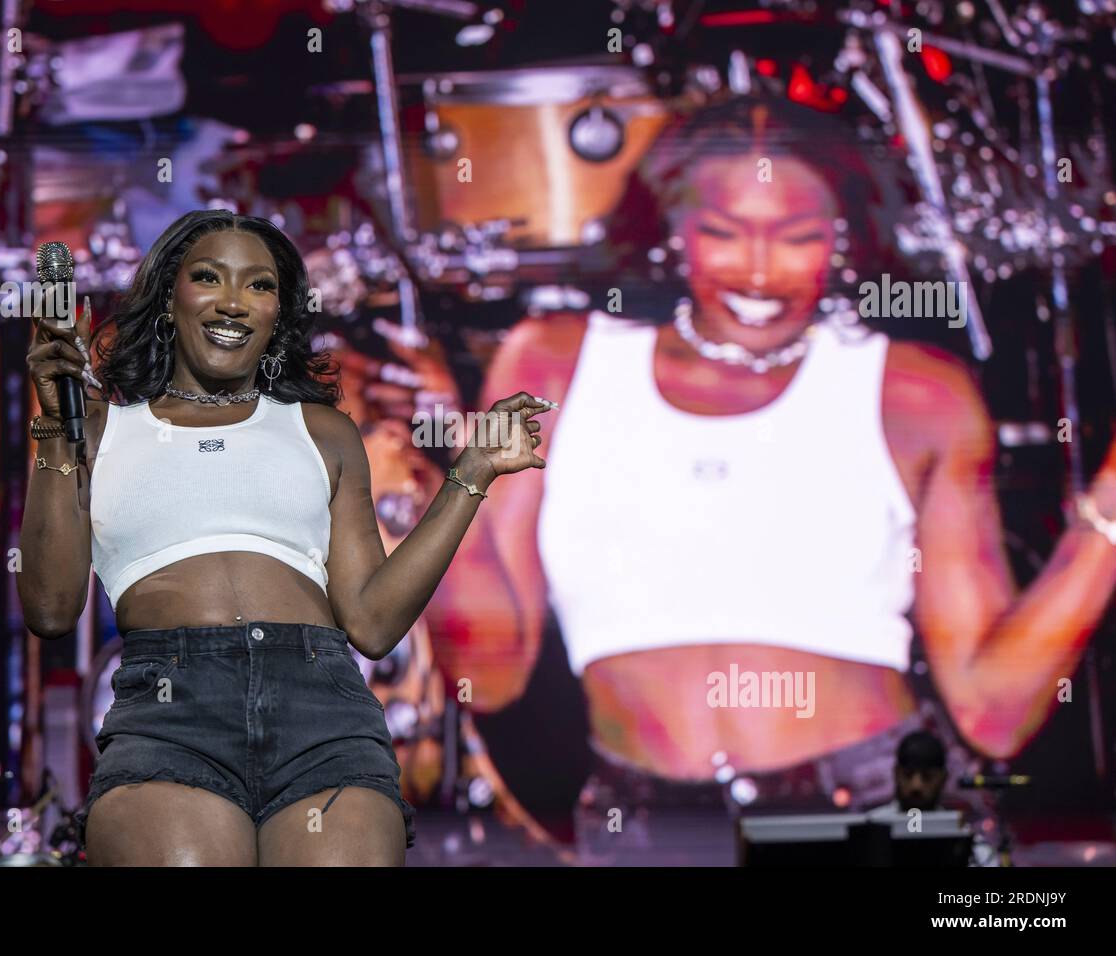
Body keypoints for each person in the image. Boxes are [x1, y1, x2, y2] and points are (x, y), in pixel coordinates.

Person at [427, 96, 1116, 864]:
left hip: (873, 821)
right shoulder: (550, 366)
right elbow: (486, 674)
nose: (759, 269)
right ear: (673, 229)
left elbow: (992, 710)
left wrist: (1109, 513)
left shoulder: (913, 396)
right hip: (649, 832)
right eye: (722, 233)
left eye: (798, 237)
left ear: (842, 237)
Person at [18, 210, 552, 866]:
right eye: (208, 277)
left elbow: (374, 624)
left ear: (278, 313)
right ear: (166, 299)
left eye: (260, 285)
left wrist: (471, 472)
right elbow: (48, 609)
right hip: (172, 711)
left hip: (321, 708)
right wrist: (52, 433)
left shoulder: (323, 432)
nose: (234, 302)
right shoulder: (99, 432)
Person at [864, 729, 1001, 867]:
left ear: (943, 778)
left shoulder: (965, 842)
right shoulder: (868, 833)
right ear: (896, 774)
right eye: (908, 774)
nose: (916, 786)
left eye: (927, 776)